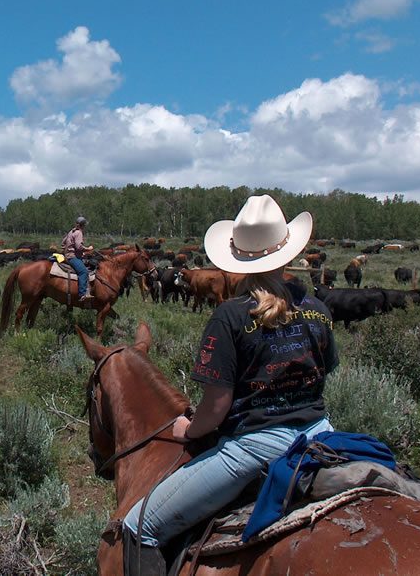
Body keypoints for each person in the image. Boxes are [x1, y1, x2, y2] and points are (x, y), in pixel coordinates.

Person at [122, 194, 339, 575]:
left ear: (238, 259)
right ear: (288, 251)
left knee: (139, 527)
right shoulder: (318, 308)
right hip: (321, 436)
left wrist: (191, 427)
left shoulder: (230, 315)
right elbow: (323, 374)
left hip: (256, 444)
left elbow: (217, 405)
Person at [62, 216, 94, 302]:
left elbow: (63, 243)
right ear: (83, 225)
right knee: (83, 272)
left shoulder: (71, 231)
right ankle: (82, 294)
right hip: (72, 257)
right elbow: (79, 246)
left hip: (68, 255)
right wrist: (88, 249)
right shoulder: (79, 232)